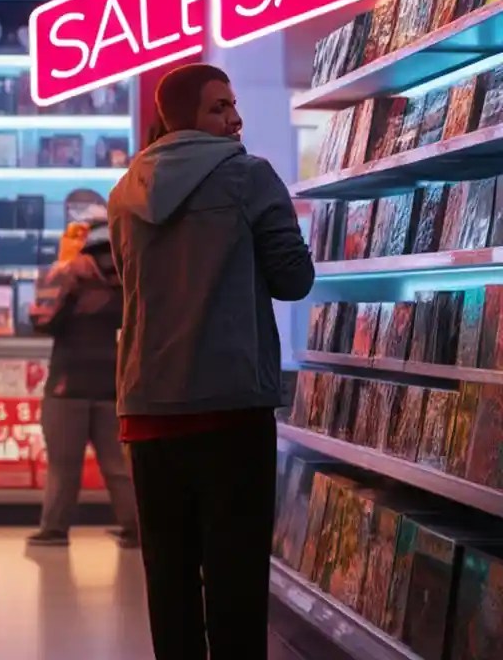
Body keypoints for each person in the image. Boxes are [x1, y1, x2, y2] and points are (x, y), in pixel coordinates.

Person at [107, 63, 314, 660]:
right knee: (236, 585)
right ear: (185, 117)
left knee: (167, 583)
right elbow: (294, 280)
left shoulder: (125, 191)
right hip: (230, 409)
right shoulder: (250, 178)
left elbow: (133, 286)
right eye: (220, 107)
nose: (236, 118)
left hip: (147, 409)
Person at [26, 210, 138, 548]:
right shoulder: (129, 277)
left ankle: (55, 529)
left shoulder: (71, 276)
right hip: (113, 383)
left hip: (69, 382)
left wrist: (61, 269)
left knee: (63, 465)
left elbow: (43, 321)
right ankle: (135, 528)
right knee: (118, 466)